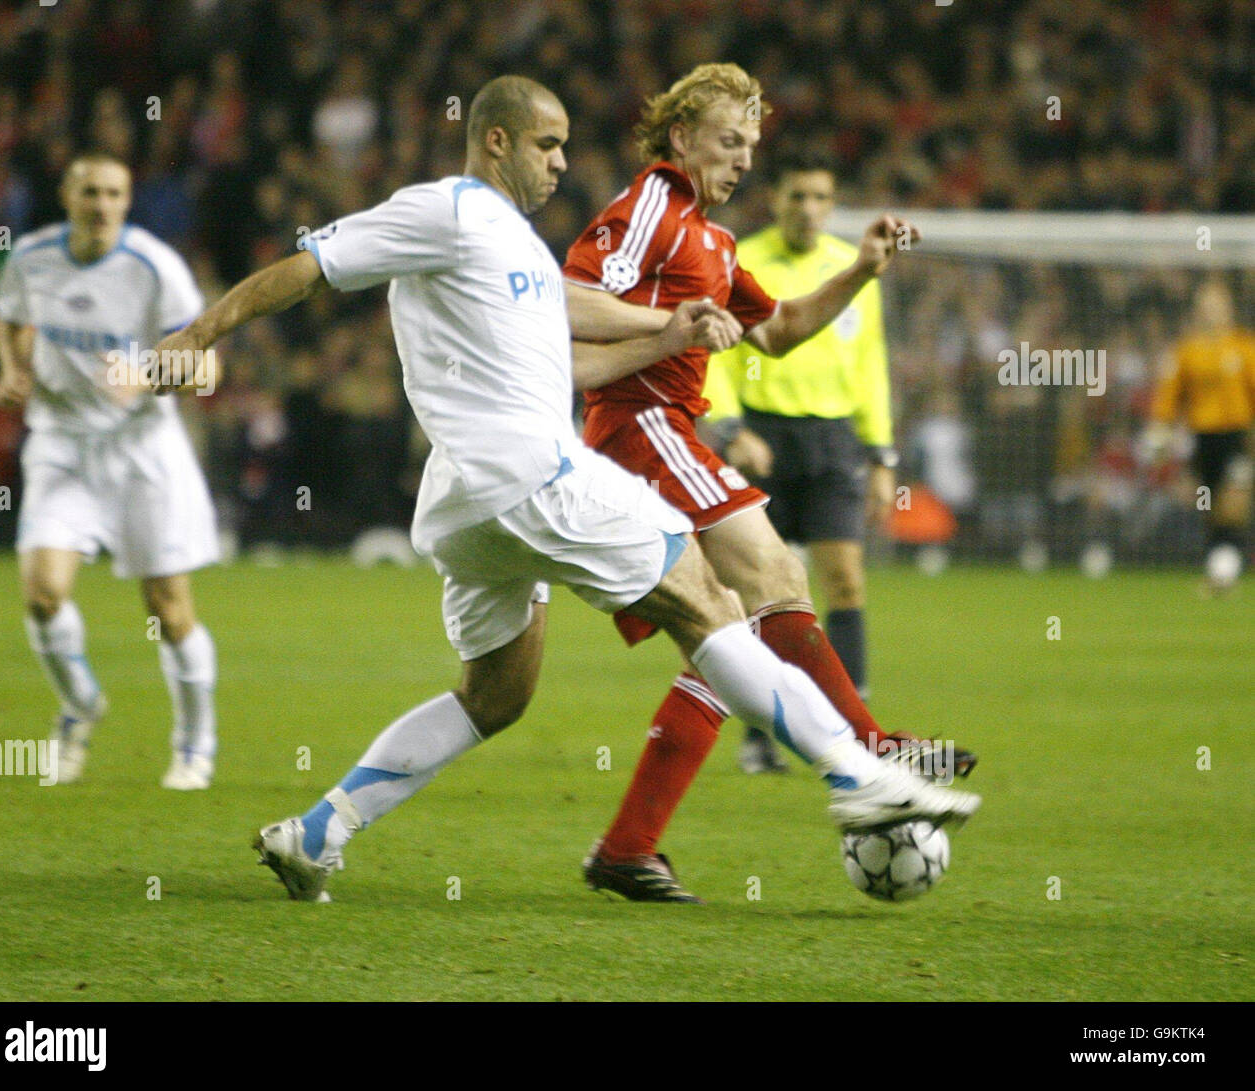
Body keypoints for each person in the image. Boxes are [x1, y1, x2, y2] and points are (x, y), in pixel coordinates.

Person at [152, 75, 979, 902]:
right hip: (531, 472)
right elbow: (309, 267)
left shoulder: (519, 252)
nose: (563, 162)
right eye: (548, 144)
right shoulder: (449, 208)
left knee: (497, 694)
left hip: (467, 503)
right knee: (717, 608)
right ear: (498, 141)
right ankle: (860, 780)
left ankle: (316, 832)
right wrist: (196, 335)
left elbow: (582, 361)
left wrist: (671, 331)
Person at [562, 64, 976, 903]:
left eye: (752, 144)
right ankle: (869, 749)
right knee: (776, 576)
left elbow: (781, 331)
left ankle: (627, 848)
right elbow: (566, 302)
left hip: (659, 432)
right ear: (681, 139)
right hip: (637, 426)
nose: (745, 158)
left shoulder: (712, 242)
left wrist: (861, 270)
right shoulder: (652, 206)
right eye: (728, 140)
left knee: (725, 642)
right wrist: (667, 324)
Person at [0, 152, 220, 790]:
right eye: (90, 192)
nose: (102, 205)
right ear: (67, 196)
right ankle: (80, 706)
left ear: (128, 201)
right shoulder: (31, 257)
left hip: (142, 447)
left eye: (115, 193)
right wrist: (12, 368)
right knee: (42, 595)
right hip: (62, 443)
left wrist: (148, 374)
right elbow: (11, 319)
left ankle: (195, 742)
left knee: (169, 609)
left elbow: (207, 367)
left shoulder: (154, 267)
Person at [702, 151, 897, 773]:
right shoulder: (744, 260)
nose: (808, 210)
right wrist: (732, 430)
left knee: (845, 582)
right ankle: (763, 733)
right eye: (797, 197)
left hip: (834, 441)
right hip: (761, 437)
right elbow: (721, 355)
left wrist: (881, 453)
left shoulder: (853, 267)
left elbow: (869, 362)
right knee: (765, 593)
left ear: (832, 205)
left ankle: (855, 729)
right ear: (776, 200)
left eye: (820, 198)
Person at [1146, 278, 1255, 593]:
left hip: (1237, 436)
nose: (1212, 311)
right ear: (1198, 309)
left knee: (1233, 503)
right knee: (1209, 508)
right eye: (1206, 304)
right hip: (1202, 439)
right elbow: (1169, 398)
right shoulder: (1186, 351)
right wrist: (1160, 433)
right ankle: (1221, 570)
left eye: (1218, 304)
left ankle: (1225, 571)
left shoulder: (1244, 347)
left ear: (1229, 309)